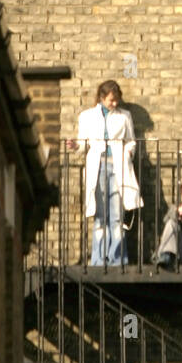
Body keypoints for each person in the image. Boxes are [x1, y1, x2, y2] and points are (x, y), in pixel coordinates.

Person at [71, 81, 141, 266]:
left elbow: (131, 141)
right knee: (101, 216)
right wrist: (75, 145)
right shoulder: (87, 116)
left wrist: (128, 152)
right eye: (111, 100)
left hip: (118, 166)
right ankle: (99, 259)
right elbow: (83, 142)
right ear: (102, 98)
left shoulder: (125, 116)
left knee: (117, 215)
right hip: (98, 166)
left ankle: (117, 259)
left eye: (116, 100)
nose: (115, 104)